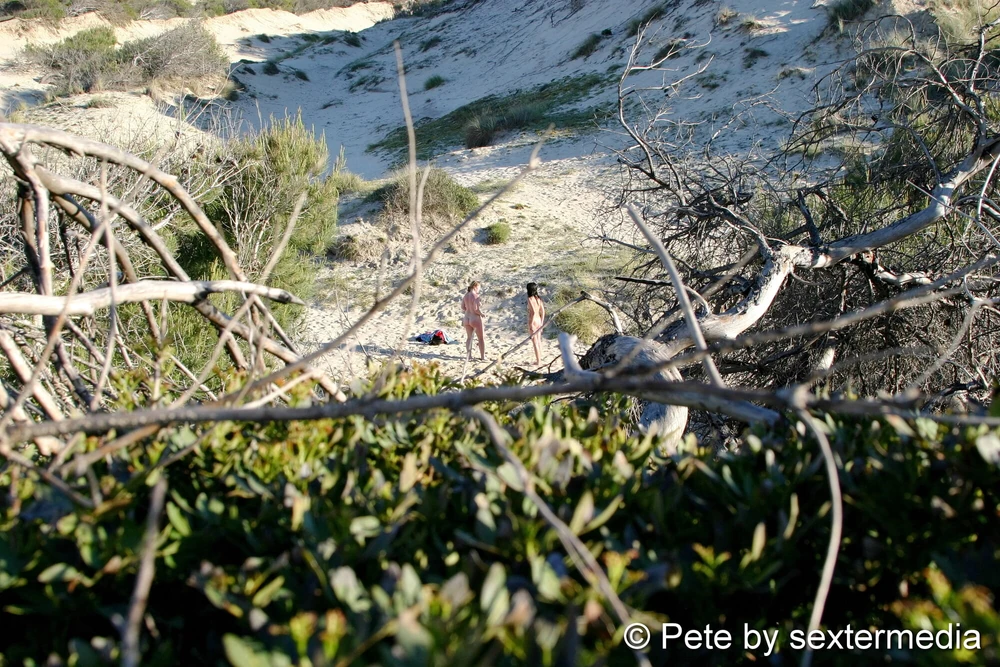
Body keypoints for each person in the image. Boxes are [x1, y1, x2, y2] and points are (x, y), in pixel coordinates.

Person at [461, 281, 485, 361]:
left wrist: (468, 310)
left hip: (466, 318)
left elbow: (463, 307)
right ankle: (482, 357)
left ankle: (469, 356)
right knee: (481, 339)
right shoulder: (475, 296)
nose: (479, 289)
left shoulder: (465, 296)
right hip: (475, 318)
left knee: (469, 338)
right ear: (475, 286)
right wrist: (481, 314)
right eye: (479, 287)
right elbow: (476, 309)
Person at [526, 282, 545, 365]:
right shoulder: (538, 298)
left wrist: (530, 324)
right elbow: (543, 311)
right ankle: (540, 358)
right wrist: (542, 322)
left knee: (535, 342)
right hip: (539, 320)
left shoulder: (530, 299)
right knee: (539, 340)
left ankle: (538, 361)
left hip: (533, 321)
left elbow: (533, 312)